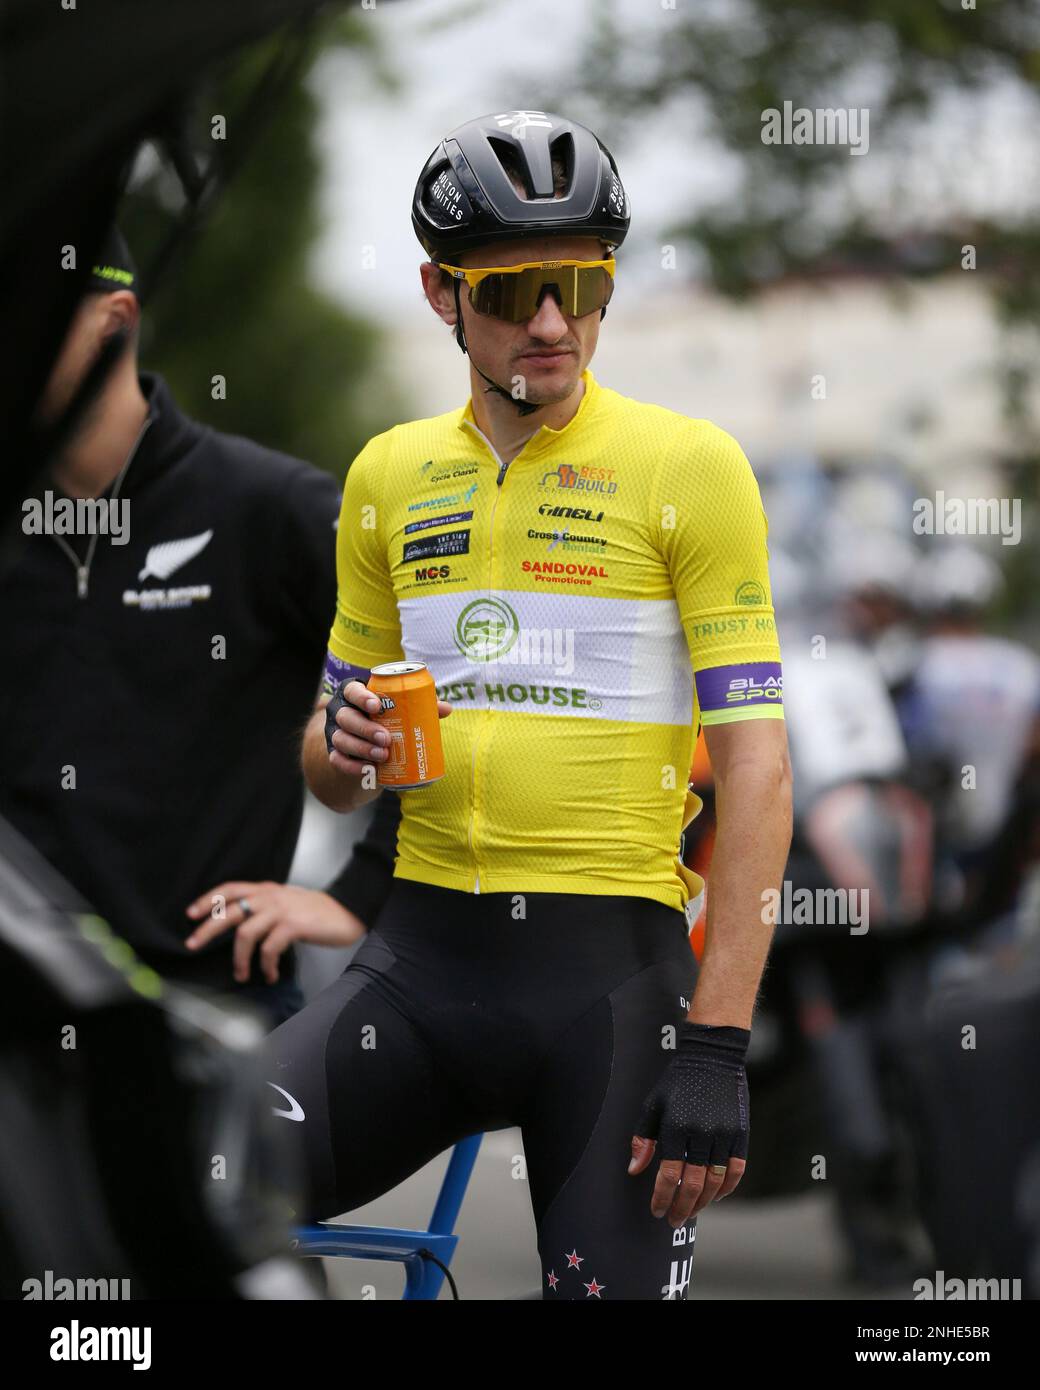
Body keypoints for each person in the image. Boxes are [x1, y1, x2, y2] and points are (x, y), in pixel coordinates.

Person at [267, 111, 793, 1299]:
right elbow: (326, 765)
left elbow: (757, 771)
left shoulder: (686, 465)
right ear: (439, 294)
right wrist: (340, 748)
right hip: (414, 969)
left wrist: (717, 1044)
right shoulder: (387, 475)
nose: (552, 323)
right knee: (169, 1186)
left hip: (608, 987)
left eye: (579, 283)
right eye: (512, 293)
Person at [0, 228, 401, 1026]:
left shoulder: (271, 506)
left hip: (211, 1011)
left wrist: (361, 894)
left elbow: (433, 688)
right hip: (19, 1020)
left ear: (115, 318)